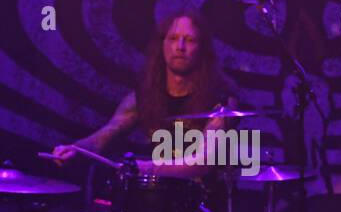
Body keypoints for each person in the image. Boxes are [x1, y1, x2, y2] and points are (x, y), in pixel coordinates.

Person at [48, 9, 238, 180]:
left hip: (204, 200)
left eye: (190, 40)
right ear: (162, 45)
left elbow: (202, 162)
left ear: (202, 49)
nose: (180, 46)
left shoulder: (221, 100)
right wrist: (76, 149)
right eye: (173, 38)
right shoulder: (143, 96)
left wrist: (143, 167)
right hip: (156, 194)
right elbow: (104, 136)